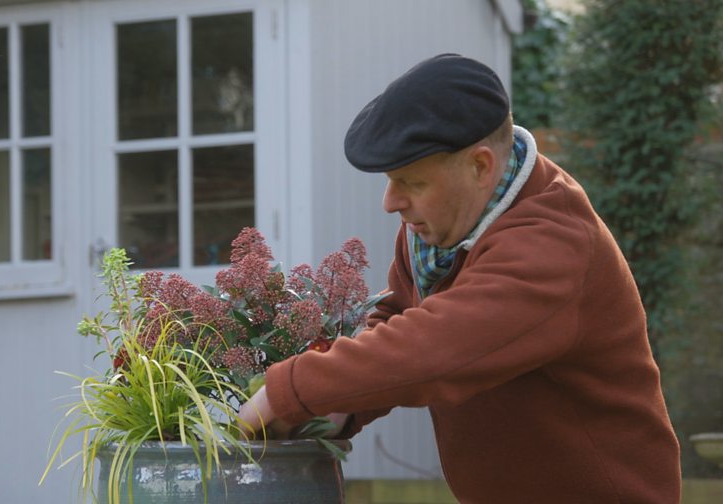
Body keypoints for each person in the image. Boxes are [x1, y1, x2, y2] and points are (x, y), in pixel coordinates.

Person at [238, 53, 682, 503]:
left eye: (411, 182)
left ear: (480, 166)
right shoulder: (438, 234)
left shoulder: (553, 243)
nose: (391, 202)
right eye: (391, 180)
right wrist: (339, 407)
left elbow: (440, 346)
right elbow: (397, 321)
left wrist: (292, 389)